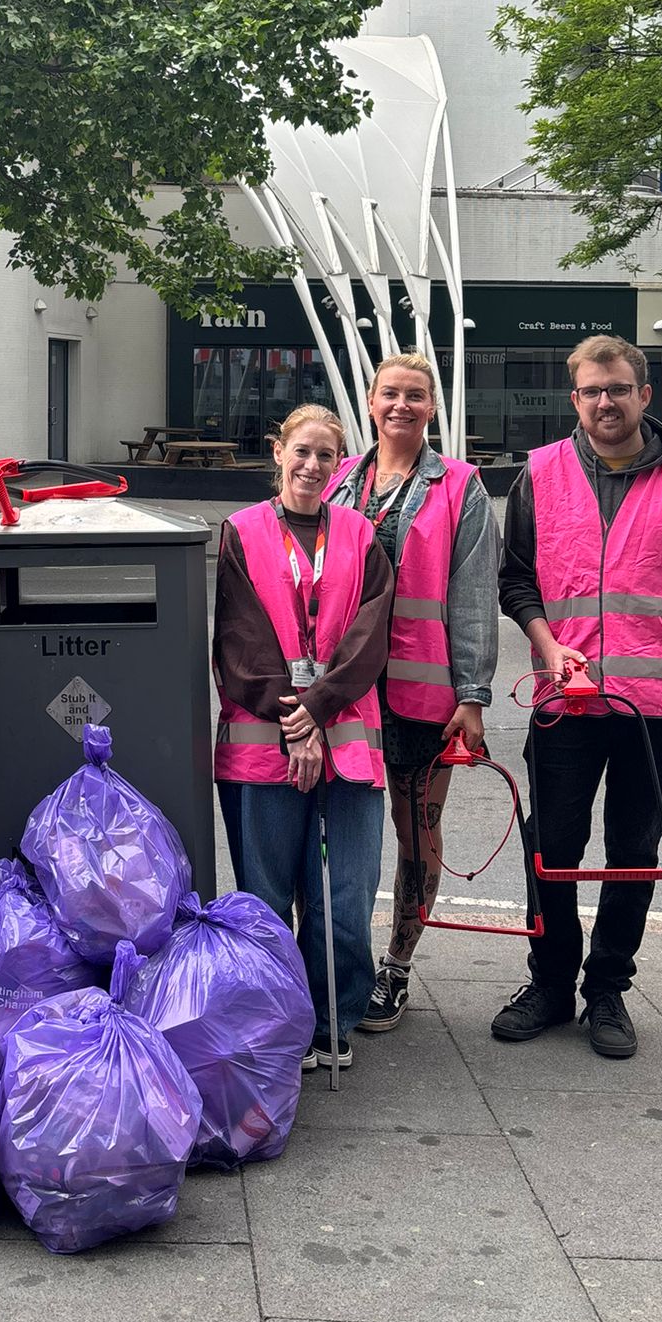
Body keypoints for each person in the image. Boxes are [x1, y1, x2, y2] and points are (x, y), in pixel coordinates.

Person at [495, 334, 662, 1059]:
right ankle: (549, 983)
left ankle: (607, 989)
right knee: (553, 851)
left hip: (655, 711)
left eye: (619, 389)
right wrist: (545, 642)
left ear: (645, 395)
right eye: (592, 390)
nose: (606, 402)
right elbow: (517, 582)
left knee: (633, 854)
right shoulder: (539, 475)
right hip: (564, 705)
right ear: (574, 399)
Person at [213, 405, 395, 1069]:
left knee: (343, 899)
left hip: (345, 740)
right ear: (278, 451)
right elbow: (239, 641)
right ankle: (271, 1021)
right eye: (303, 452)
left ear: (339, 463)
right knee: (263, 902)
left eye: (327, 456)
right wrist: (294, 719)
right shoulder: (239, 533)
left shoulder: (361, 535)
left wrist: (315, 711)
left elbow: (368, 639)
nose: (313, 466)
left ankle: (332, 1019)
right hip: (262, 743)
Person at [324, 354, 500, 1032]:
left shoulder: (462, 486)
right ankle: (335, 962)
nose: (402, 405)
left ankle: (395, 968)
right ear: (371, 403)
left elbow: (475, 595)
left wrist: (474, 694)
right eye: (390, 394)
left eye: (416, 396)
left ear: (433, 406)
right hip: (345, 693)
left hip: (420, 695)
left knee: (413, 831)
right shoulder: (341, 478)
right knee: (335, 831)